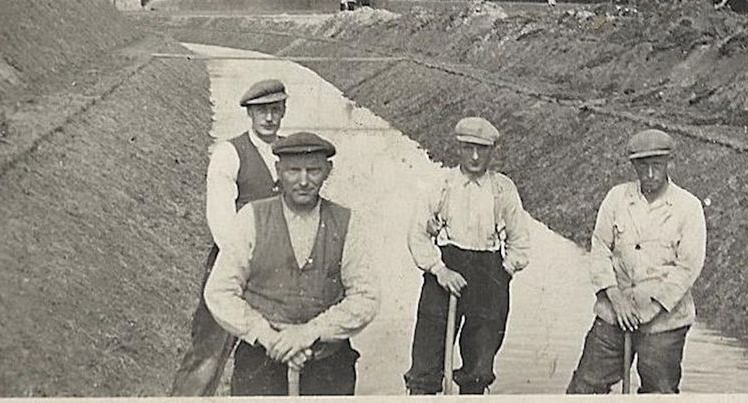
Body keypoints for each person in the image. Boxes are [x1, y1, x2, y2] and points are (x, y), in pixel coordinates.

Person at [204, 132, 379, 396]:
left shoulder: (346, 223)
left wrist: (311, 332)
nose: (304, 181)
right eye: (293, 171)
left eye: (314, 170)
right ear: (278, 170)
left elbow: (366, 296)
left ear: (328, 171)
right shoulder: (251, 218)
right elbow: (219, 291)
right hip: (261, 363)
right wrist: (267, 335)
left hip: (328, 366)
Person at [171, 79, 290, 396]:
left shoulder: (291, 152)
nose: (269, 119)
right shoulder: (229, 153)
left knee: (266, 358)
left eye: (275, 110)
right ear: (249, 114)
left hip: (277, 273)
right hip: (232, 268)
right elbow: (220, 222)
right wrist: (245, 266)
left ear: (283, 111)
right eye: (262, 111)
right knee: (208, 356)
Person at [566, 129, 707, 395]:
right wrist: (616, 298)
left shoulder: (688, 207)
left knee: (659, 390)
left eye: (657, 166)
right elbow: (599, 249)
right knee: (585, 386)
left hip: (665, 321)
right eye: (643, 167)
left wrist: (651, 308)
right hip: (613, 314)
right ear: (633, 166)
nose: (651, 174)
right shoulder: (617, 199)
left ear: (670, 164)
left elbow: (688, 267)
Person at [403, 117, 533, 395]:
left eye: (482, 150)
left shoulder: (503, 189)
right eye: (469, 148)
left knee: (479, 365)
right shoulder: (441, 184)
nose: (475, 157)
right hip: (445, 271)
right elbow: (417, 235)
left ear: (491, 151)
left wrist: (504, 271)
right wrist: (439, 269)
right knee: (427, 359)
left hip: (489, 275)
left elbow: (520, 240)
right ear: (458, 148)